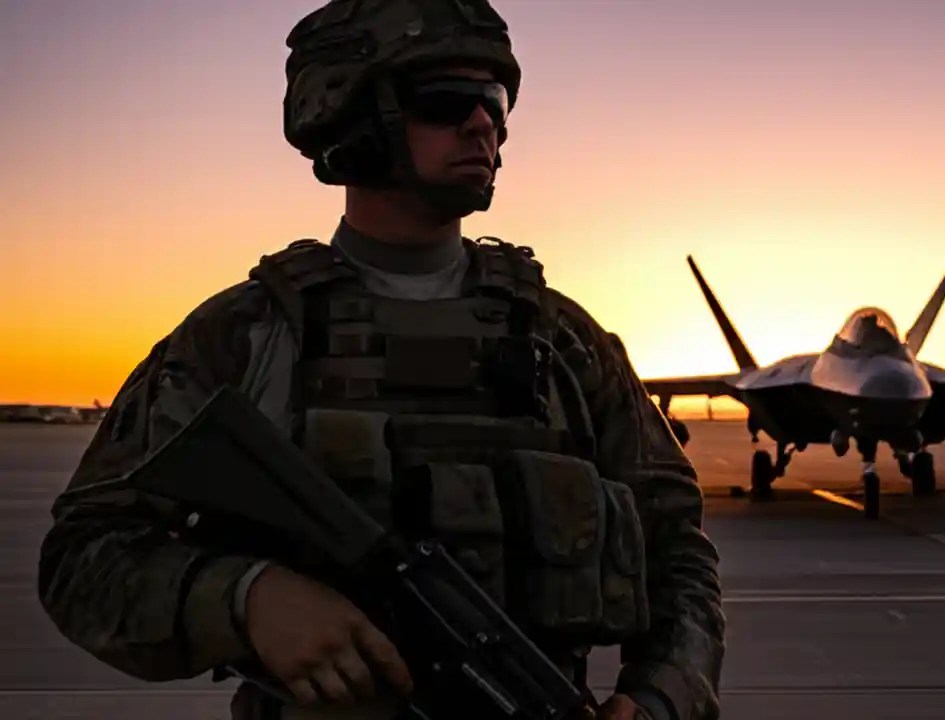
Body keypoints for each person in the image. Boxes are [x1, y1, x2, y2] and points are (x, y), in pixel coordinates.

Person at [37, 1, 725, 719]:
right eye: (447, 102)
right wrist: (249, 600)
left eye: (495, 104)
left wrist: (658, 698)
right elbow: (83, 558)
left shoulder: (566, 342)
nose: (484, 124)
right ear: (353, 117)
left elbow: (677, 548)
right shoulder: (247, 335)